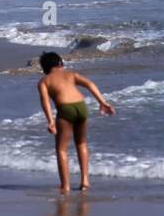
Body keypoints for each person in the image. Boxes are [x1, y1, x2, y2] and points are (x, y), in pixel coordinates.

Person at [37, 51, 115, 193]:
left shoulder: (44, 81)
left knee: (61, 149)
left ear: (44, 69)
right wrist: (103, 102)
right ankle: (85, 181)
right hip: (81, 106)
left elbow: (45, 101)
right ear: (61, 63)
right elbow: (90, 84)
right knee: (82, 143)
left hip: (65, 109)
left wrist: (50, 121)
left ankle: (65, 186)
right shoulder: (71, 74)